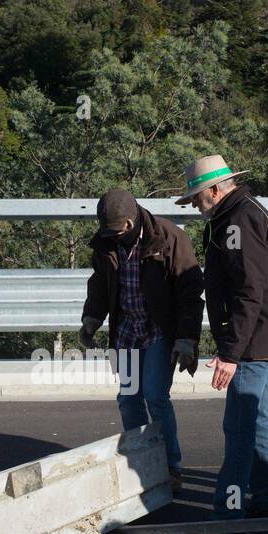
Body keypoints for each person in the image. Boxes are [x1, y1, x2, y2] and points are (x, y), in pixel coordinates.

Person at [176, 155, 268, 534]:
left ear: (215, 189)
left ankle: (225, 516)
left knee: (239, 430)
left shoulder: (238, 220)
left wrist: (230, 352)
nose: (195, 205)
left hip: (250, 343)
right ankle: (267, 497)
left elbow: (249, 291)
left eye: (196, 197)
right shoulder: (242, 213)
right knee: (256, 421)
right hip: (260, 339)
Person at [80, 189, 204, 487]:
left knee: (155, 396)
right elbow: (99, 283)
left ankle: (171, 467)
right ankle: (140, 464)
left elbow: (190, 291)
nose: (115, 235)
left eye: (119, 229)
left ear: (131, 220)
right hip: (126, 332)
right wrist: (91, 319)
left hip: (159, 330)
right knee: (128, 400)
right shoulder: (105, 242)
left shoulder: (169, 236)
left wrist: (187, 338)